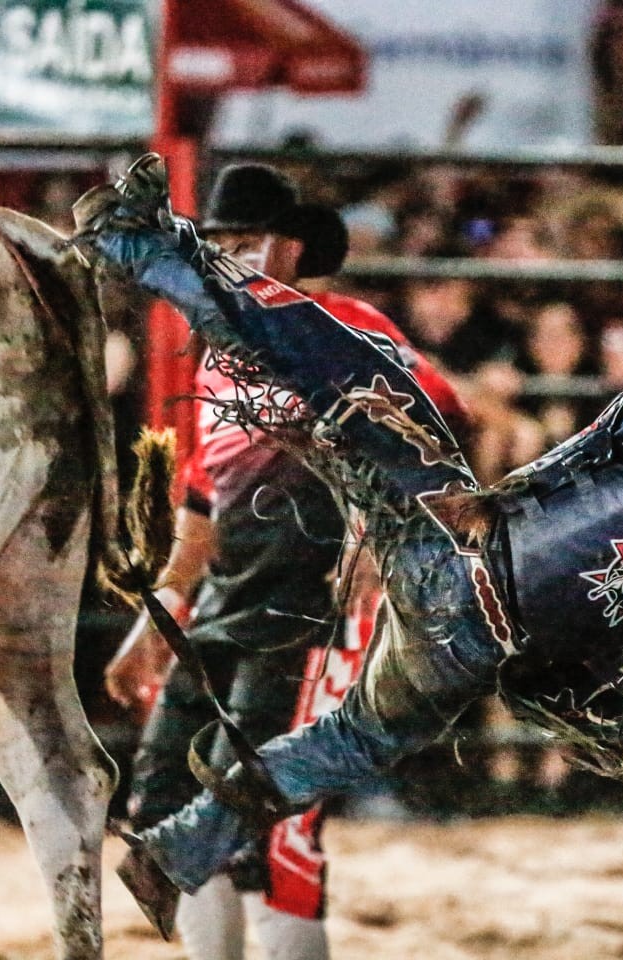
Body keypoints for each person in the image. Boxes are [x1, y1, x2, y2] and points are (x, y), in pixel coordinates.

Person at [72, 153, 623, 935]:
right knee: (344, 742)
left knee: (339, 363)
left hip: (455, 558)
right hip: (481, 661)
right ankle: (174, 854)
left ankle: (140, 246)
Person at [101, 162, 465, 959]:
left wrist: (383, 535)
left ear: (290, 248)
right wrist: (155, 623)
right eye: (219, 241)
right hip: (226, 605)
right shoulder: (217, 358)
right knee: (167, 807)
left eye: (245, 240)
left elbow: (437, 420)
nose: (228, 255)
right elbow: (200, 507)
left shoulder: (350, 331)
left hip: (315, 612)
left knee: (269, 829)